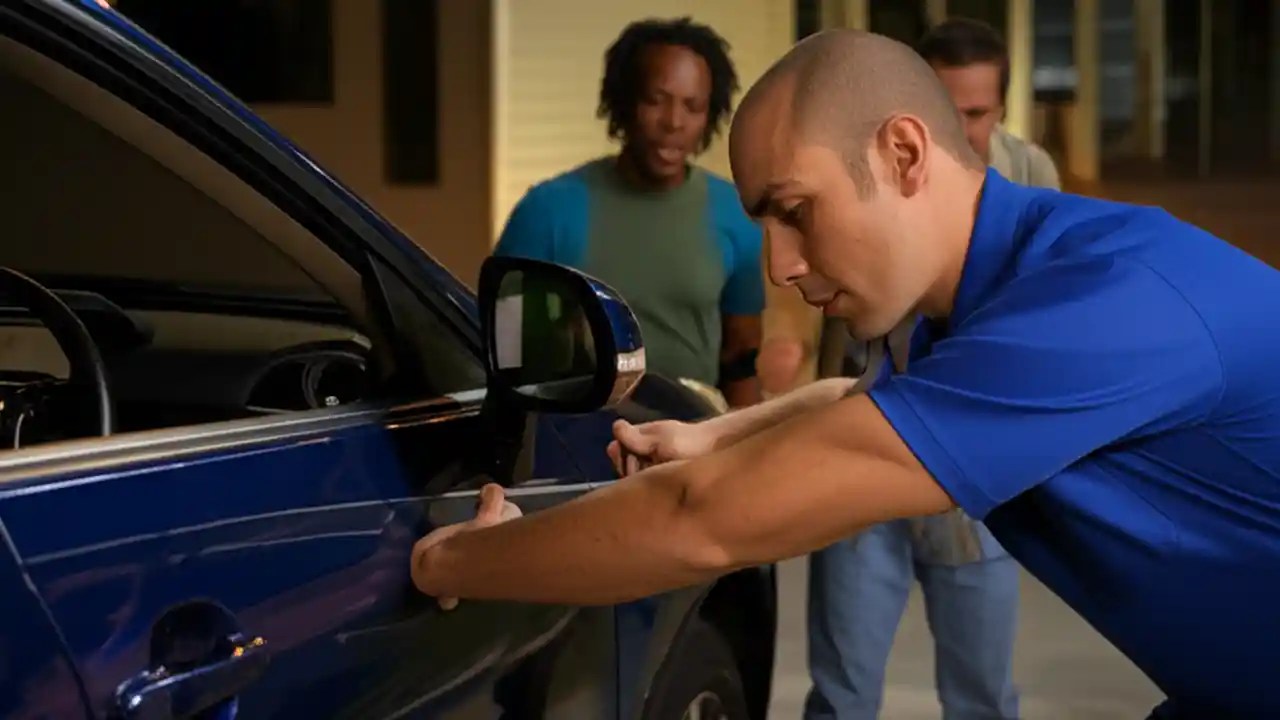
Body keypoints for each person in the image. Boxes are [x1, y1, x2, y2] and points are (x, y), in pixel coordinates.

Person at [413, 29, 1280, 720]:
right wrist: (710, 433)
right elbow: (867, 399)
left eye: (795, 212)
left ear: (904, 154)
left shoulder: (1103, 304)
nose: (781, 264)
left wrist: (454, 562)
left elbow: (702, 522)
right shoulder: (991, 299)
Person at [806, 18, 1063, 720]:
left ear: (1001, 109)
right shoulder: (864, 168)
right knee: (841, 691)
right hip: (863, 448)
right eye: (943, 109)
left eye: (976, 114)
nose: (960, 129)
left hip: (970, 468)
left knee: (981, 696)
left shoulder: (1031, 174)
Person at [493, 17, 764, 408]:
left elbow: (741, 362)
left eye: (693, 106)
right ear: (624, 101)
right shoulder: (546, 211)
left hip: (694, 434)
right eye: (656, 100)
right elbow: (505, 352)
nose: (673, 122)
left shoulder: (734, 213)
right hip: (574, 432)